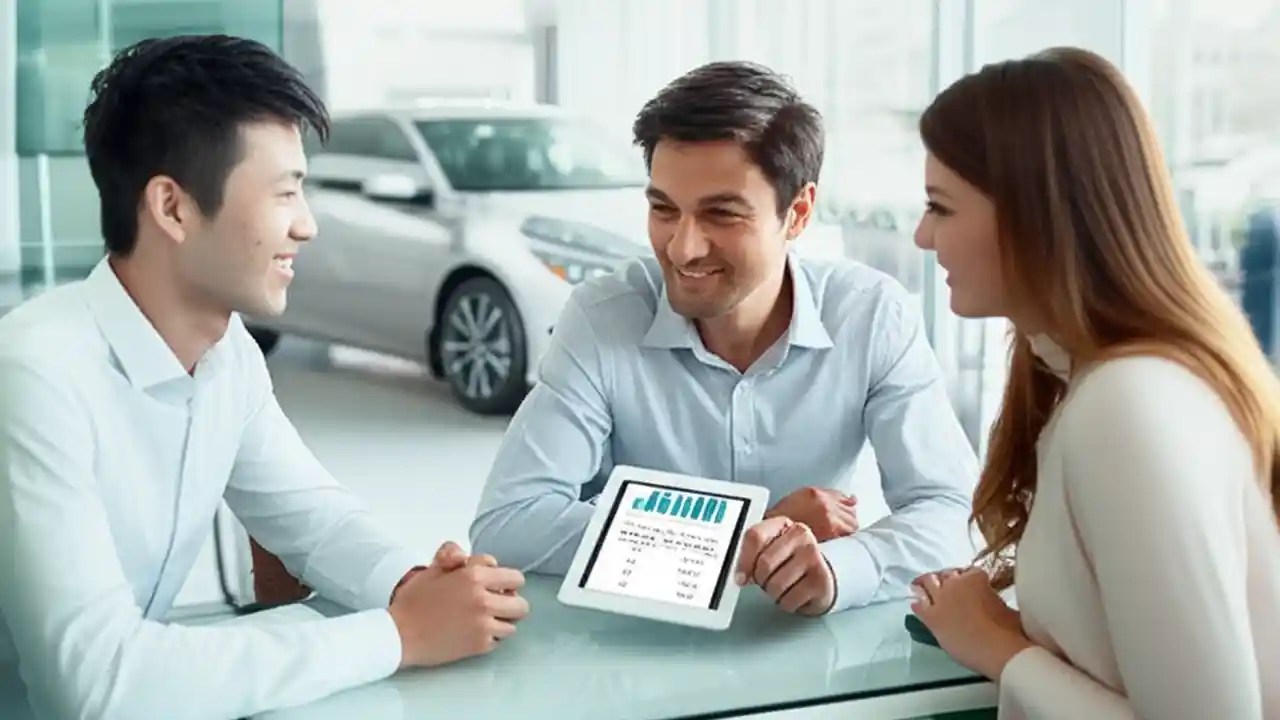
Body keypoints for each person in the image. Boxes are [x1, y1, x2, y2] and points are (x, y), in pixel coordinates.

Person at [0, 35, 529, 720]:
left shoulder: (227, 354)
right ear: (173, 209)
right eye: (285, 193)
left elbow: (315, 520)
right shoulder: (36, 376)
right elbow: (96, 684)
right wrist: (398, 634)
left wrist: (416, 584)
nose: (306, 226)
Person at [471, 61, 978, 616]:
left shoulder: (871, 315)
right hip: (635, 658)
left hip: (804, 652)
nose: (683, 247)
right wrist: (743, 537)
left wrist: (838, 568)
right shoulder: (603, 317)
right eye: (664, 208)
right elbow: (510, 523)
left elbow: (952, 514)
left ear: (798, 213)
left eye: (722, 214)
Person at [908, 47, 1280, 719]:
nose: (922, 237)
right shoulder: (1104, 385)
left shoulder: (1128, 404)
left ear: (1032, 213)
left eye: (941, 207)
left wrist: (998, 648)